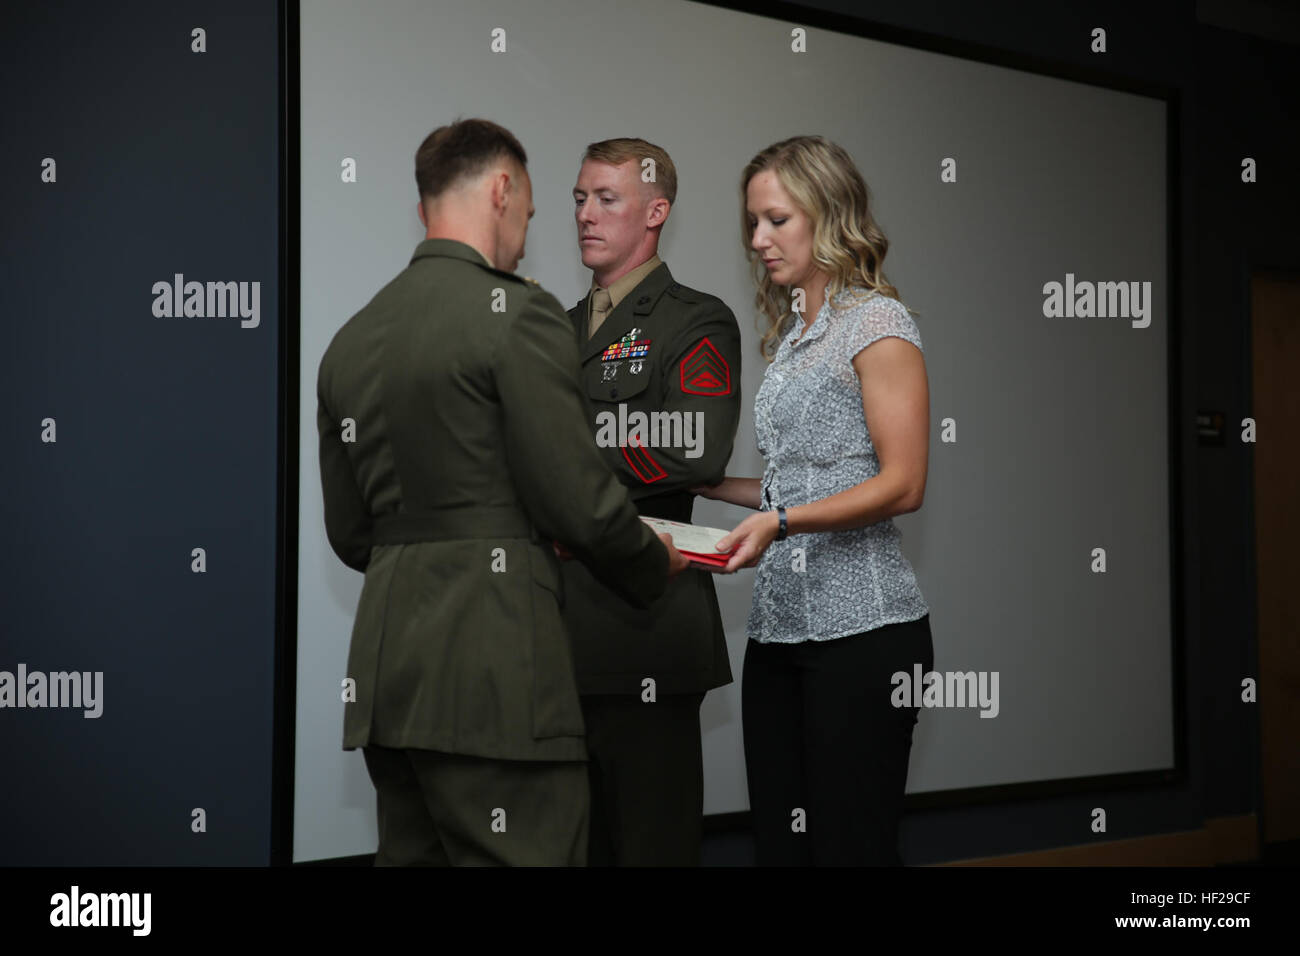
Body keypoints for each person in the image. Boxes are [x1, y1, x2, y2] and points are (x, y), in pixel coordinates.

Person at [316, 118, 689, 866]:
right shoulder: (518, 316)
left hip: (389, 680)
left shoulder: (348, 343)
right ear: (501, 189)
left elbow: (352, 534)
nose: (528, 229)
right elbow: (580, 502)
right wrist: (654, 559)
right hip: (497, 676)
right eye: (531, 209)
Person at [696, 135, 933, 866]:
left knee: (848, 850)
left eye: (776, 220)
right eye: (752, 224)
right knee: (782, 845)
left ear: (828, 216)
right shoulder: (796, 335)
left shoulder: (877, 325)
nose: (759, 240)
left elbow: (903, 483)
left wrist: (783, 521)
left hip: (865, 639)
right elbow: (788, 486)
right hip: (779, 636)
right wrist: (700, 484)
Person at [556, 138, 742, 865]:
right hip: (557, 630)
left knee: (650, 848)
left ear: (656, 210)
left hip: (645, 625)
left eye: (607, 199)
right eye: (578, 198)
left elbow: (695, 448)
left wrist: (561, 466)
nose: (585, 215)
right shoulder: (554, 327)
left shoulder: (693, 319)